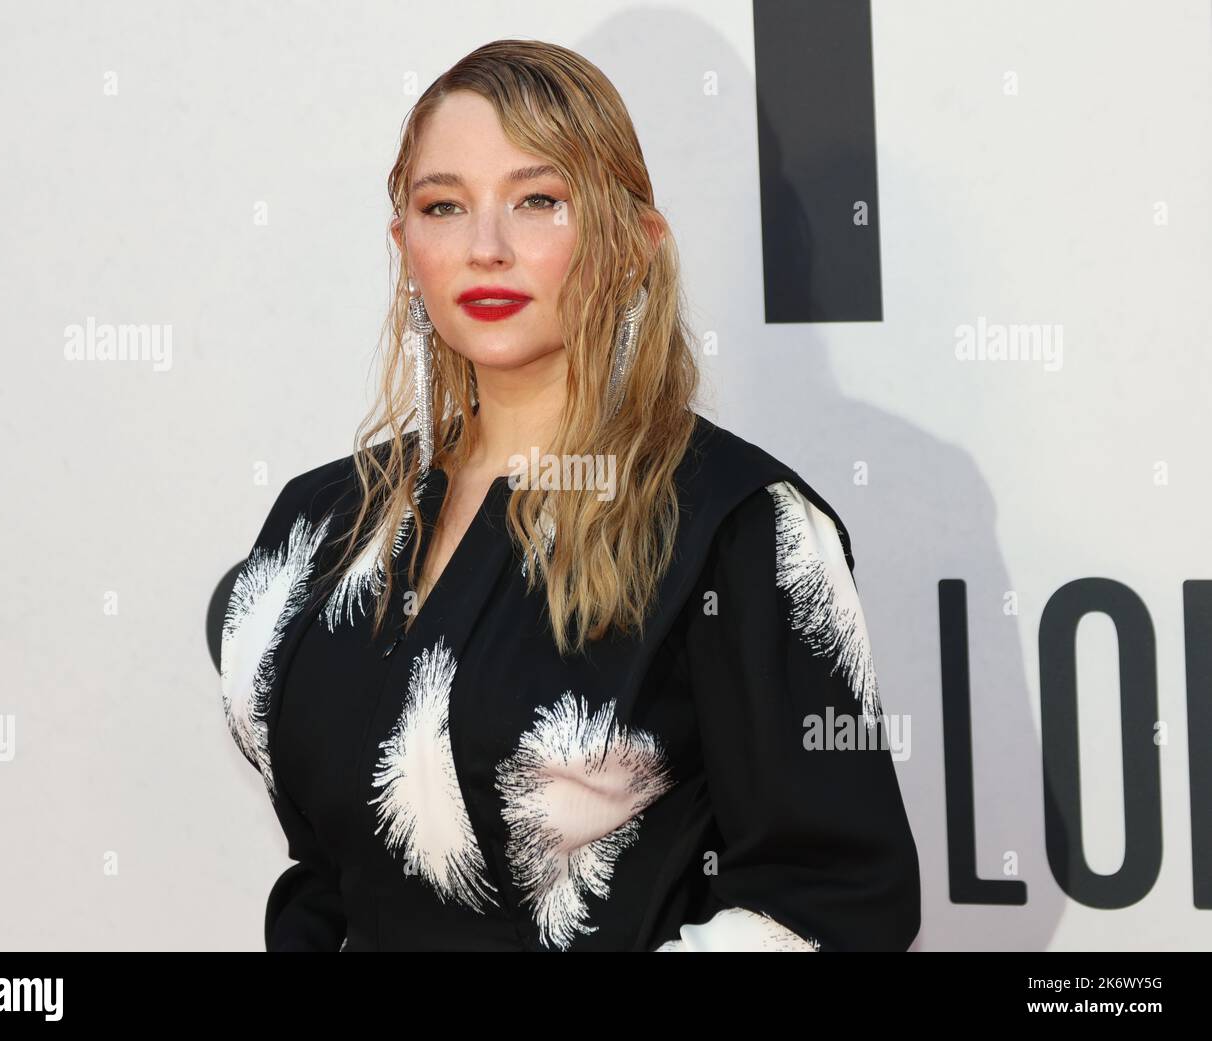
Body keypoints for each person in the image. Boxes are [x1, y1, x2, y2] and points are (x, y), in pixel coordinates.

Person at [219, 38, 920, 952]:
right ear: (406, 245)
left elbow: (835, 901)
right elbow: (327, 879)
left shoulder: (736, 524)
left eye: (538, 201)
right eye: (444, 206)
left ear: (634, 242)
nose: (486, 248)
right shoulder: (319, 528)